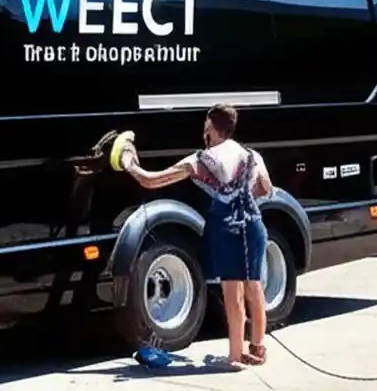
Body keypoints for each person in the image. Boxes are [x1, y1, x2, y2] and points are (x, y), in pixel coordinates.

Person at [112, 104, 274, 369]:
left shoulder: (202, 159)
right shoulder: (252, 155)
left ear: (210, 128)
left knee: (232, 291)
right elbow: (265, 188)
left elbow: (150, 180)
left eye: (205, 127)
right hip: (253, 223)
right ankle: (257, 349)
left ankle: (235, 356)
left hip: (227, 227)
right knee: (254, 287)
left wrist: (128, 160)